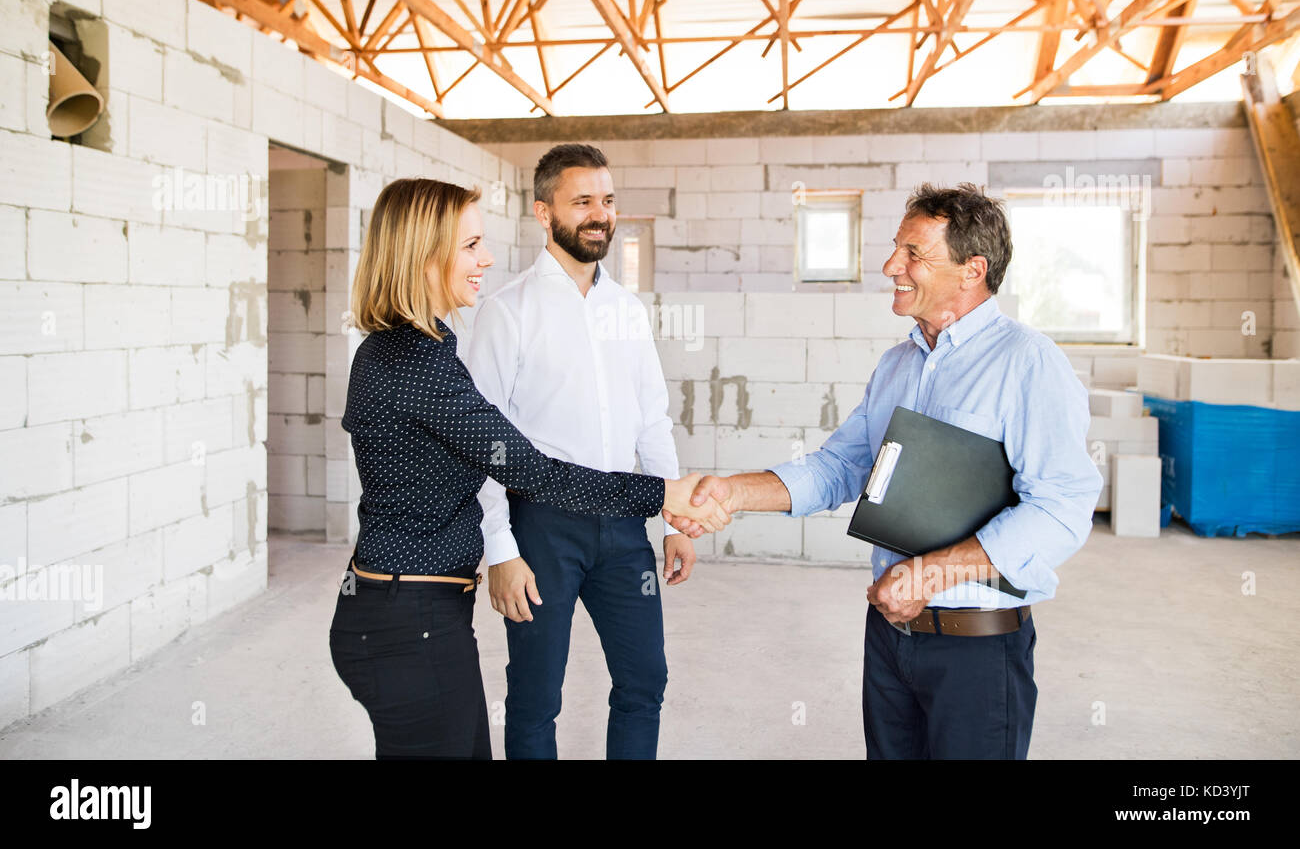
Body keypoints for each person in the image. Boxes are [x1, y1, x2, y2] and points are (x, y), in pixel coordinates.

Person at [666, 183, 1102, 759]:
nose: (891, 265)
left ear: (973, 269)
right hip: (891, 637)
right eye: (896, 248)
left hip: (975, 649)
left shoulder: (1028, 362)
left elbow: (1062, 506)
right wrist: (732, 491)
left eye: (913, 254)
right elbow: (842, 467)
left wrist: (929, 575)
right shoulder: (899, 363)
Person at [329, 177, 729, 760]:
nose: (485, 258)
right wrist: (665, 494)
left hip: (411, 611)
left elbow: (637, 422)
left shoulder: (408, 349)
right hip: (407, 622)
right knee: (525, 704)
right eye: (470, 245)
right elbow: (537, 472)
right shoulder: (419, 363)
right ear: (423, 252)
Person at [466, 144, 692, 761]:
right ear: (544, 213)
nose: (600, 215)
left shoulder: (628, 311)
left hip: (624, 528)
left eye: (609, 200)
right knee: (536, 697)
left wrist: (675, 519)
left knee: (645, 680)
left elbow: (652, 420)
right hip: (542, 532)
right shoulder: (506, 312)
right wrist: (501, 551)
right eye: (583, 201)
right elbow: (482, 445)